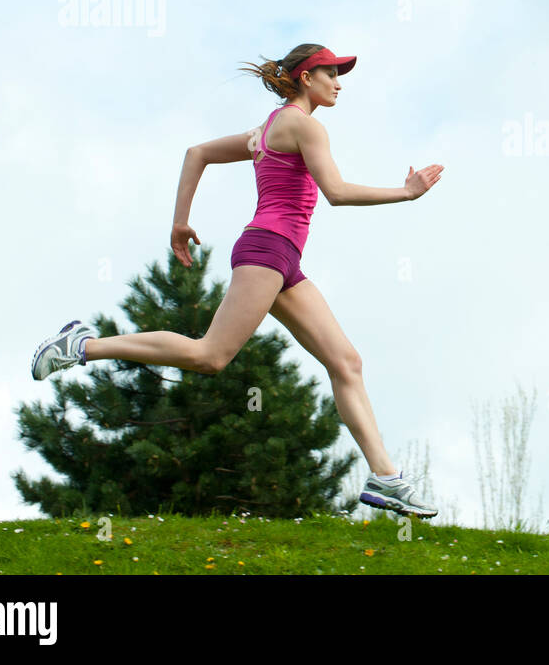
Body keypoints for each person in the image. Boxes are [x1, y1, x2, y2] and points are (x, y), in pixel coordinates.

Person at [30, 44, 445, 519]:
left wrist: (179, 222)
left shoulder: (265, 130)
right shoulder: (306, 125)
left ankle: (385, 479)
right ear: (305, 78)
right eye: (331, 73)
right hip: (267, 250)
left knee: (346, 361)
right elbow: (336, 192)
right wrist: (406, 194)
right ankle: (80, 346)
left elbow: (197, 152)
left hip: (282, 259)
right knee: (210, 355)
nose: (339, 82)